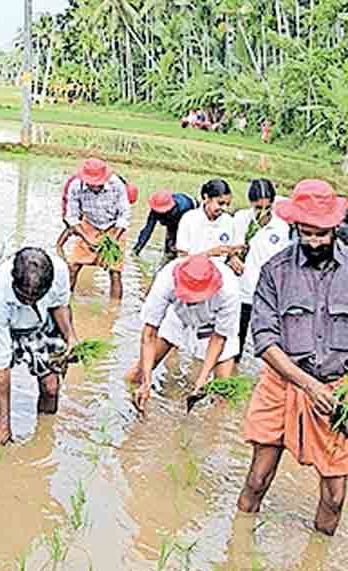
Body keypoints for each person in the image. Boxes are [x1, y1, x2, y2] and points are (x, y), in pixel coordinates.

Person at [237, 179, 348, 536]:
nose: (314, 242)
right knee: (257, 477)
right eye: (306, 233)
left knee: (334, 495)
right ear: (295, 227)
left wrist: (331, 390)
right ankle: (236, 549)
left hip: (336, 392)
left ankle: (315, 567)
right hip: (283, 383)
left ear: (335, 227)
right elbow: (265, 340)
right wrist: (307, 384)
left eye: (322, 234)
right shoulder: (275, 271)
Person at [0, 248, 79, 445]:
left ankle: (44, 440)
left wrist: (70, 337)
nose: (29, 302)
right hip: (8, 328)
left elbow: (60, 305)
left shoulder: (59, 271)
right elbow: (1, 367)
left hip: (42, 326)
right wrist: (4, 423)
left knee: (51, 388)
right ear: (13, 281)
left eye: (37, 297)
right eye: (24, 297)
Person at [126, 255, 241, 414]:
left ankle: (214, 431)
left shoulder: (229, 289)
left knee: (223, 392)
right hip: (178, 316)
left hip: (213, 323)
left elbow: (219, 338)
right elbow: (149, 334)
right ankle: (130, 411)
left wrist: (201, 380)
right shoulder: (166, 279)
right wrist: (146, 382)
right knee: (136, 376)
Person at [57, 158, 130, 299]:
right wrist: (87, 239)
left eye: (98, 183)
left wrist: (113, 240)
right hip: (88, 225)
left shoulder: (117, 184)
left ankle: (113, 310)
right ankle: (64, 301)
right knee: (73, 266)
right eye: (91, 183)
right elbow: (72, 218)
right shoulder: (76, 186)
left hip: (113, 227)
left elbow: (124, 216)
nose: (94, 186)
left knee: (115, 272)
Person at [237, 179, 289, 359]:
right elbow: (228, 250)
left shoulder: (281, 228)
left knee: (268, 342)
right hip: (241, 292)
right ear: (250, 203)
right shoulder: (240, 219)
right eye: (258, 208)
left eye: (267, 208)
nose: (263, 213)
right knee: (235, 340)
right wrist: (233, 257)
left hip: (267, 296)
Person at [174, 180, 244, 271]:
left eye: (228, 204)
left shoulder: (230, 222)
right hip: (191, 274)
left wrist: (234, 258)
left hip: (219, 276)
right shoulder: (189, 219)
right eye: (220, 203)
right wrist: (210, 253)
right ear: (206, 198)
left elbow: (233, 251)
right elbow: (183, 258)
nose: (224, 208)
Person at [133, 189, 198, 260]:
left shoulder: (184, 208)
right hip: (172, 218)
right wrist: (136, 249)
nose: (158, 214)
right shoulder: (156, 209)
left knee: (181, 246)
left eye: (161, 212)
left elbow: (187, 231)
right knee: (169, 249)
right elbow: (147, 230)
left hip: (187, 214)